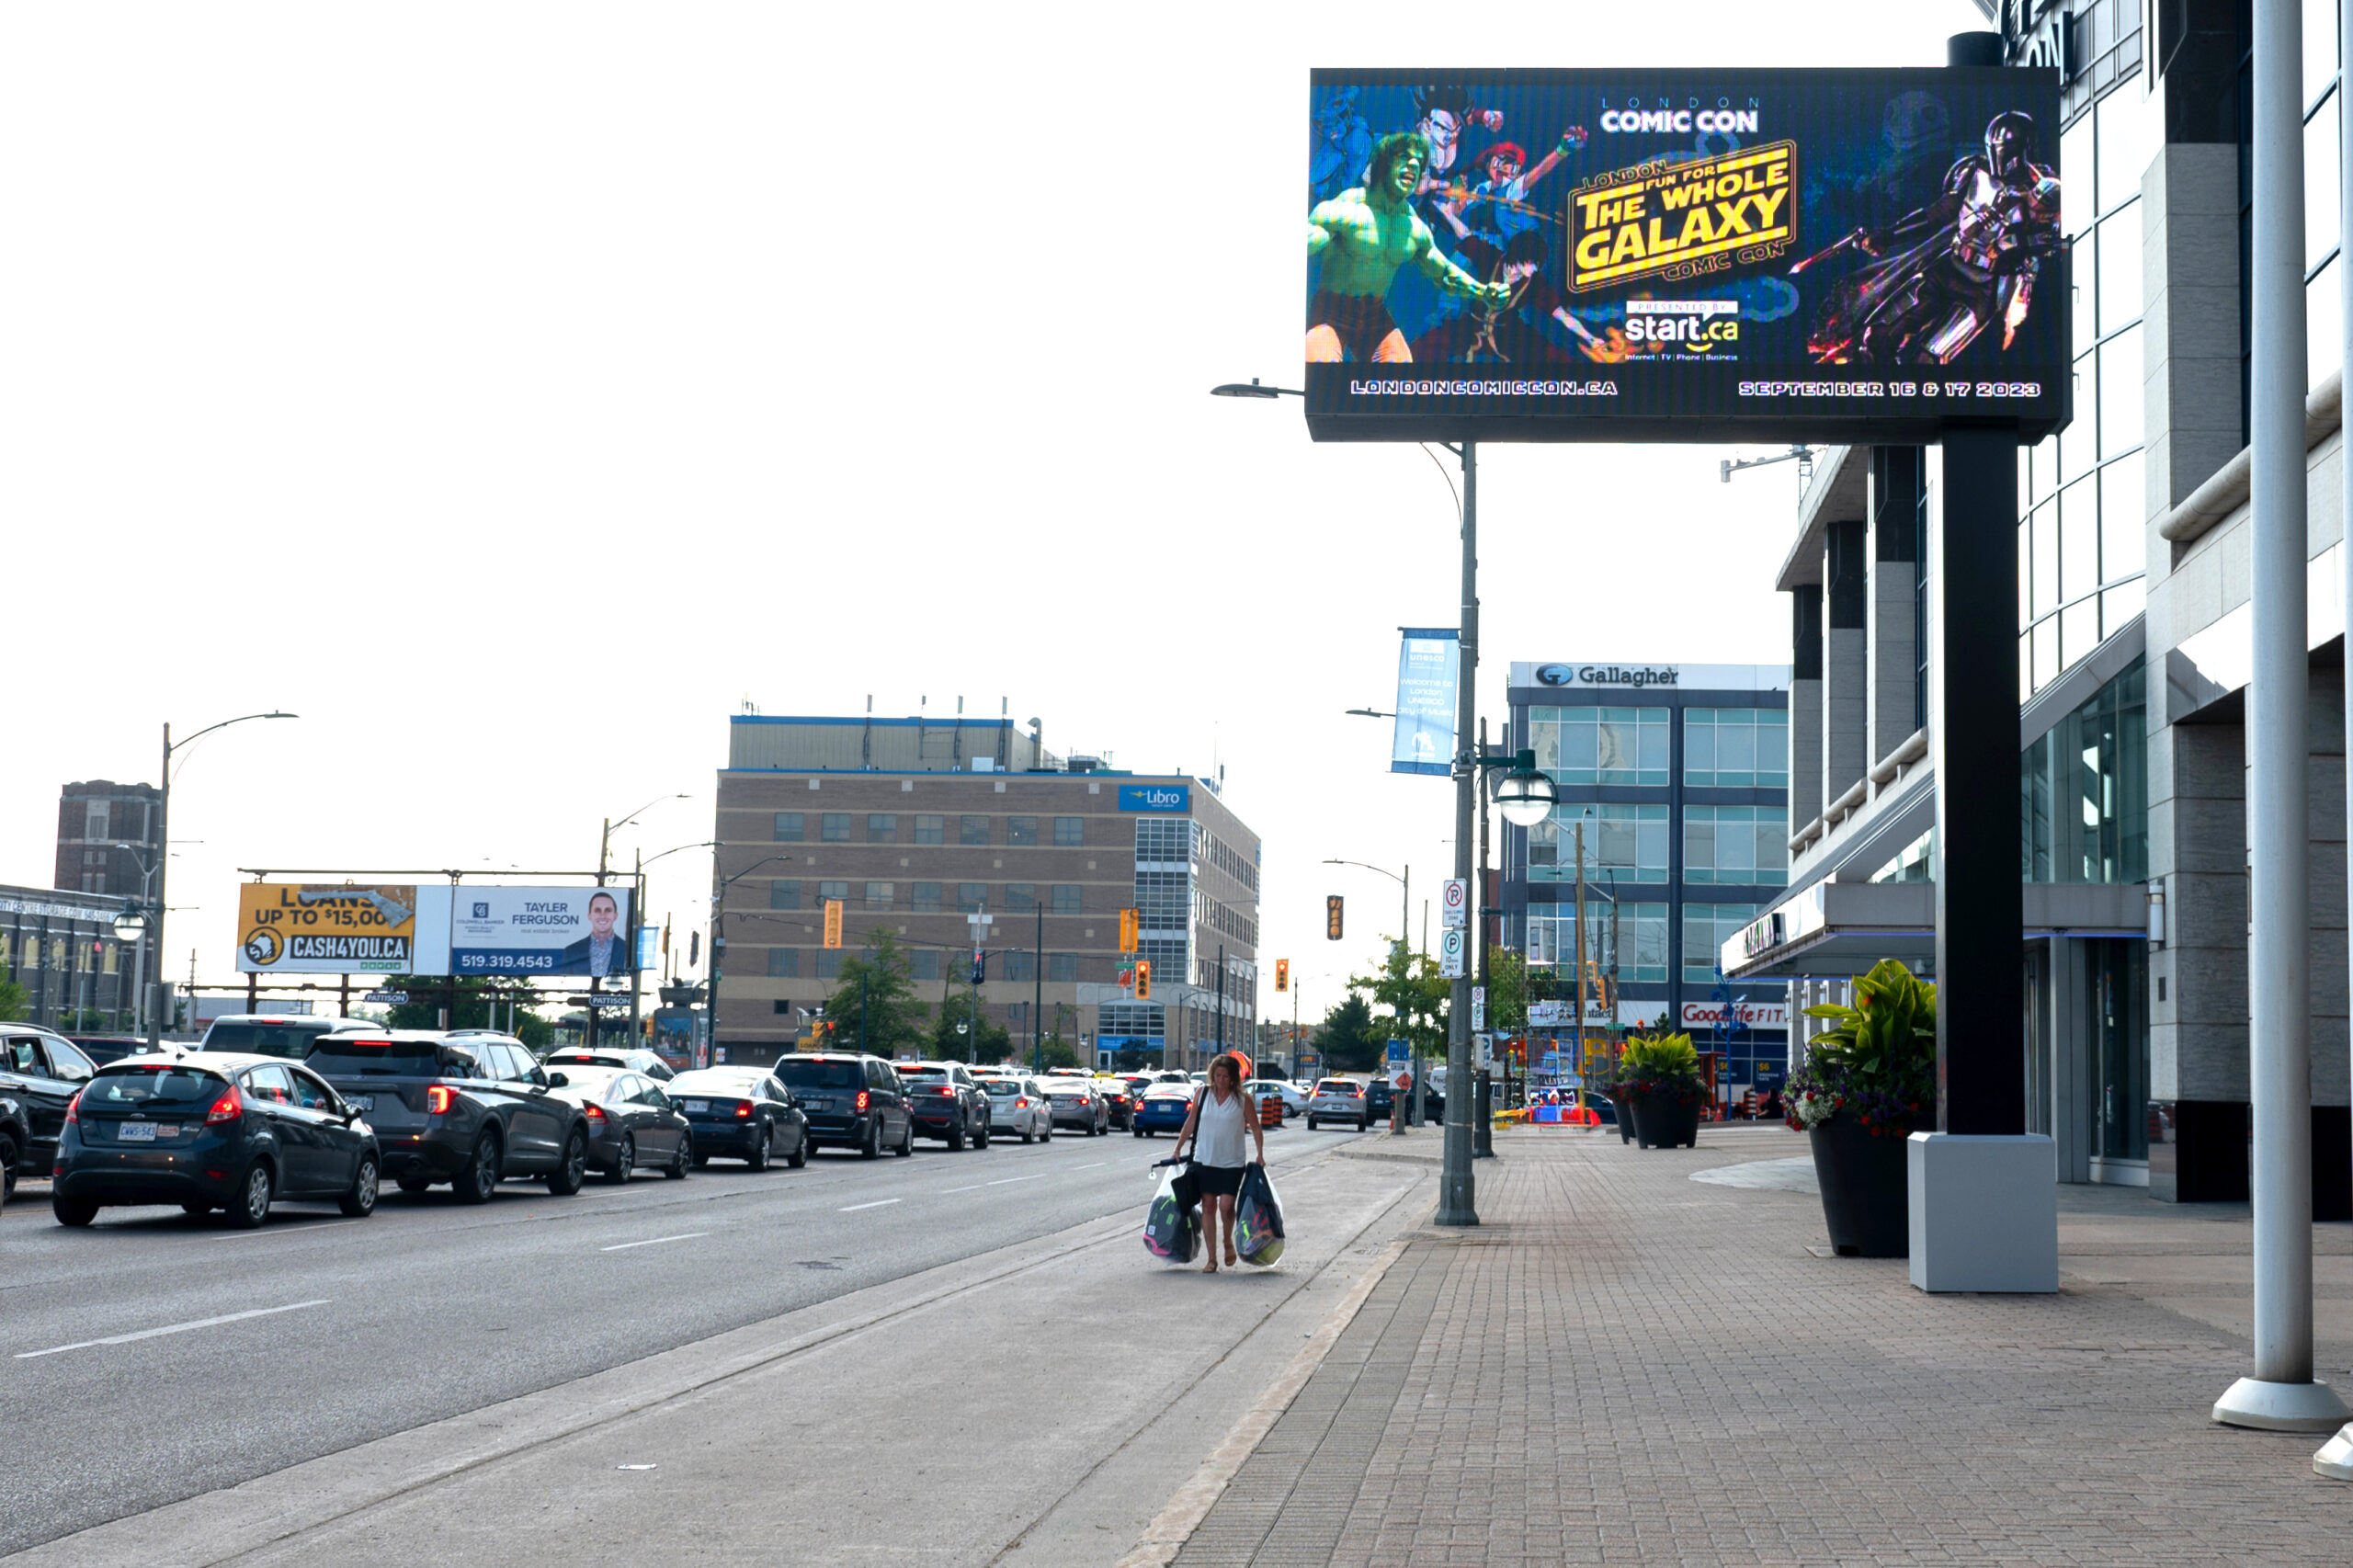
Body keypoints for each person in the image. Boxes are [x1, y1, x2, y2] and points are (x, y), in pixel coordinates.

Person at [1174, 1052, 1265, 1274]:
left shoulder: (1243, 1100)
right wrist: (1178, 1147)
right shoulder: (1202, 1094)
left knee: (1226, 1206)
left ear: (1233, 1078)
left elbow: (1255, 1127)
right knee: (1208, 1206)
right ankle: (1212, 1258)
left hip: (1231, 1161)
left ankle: (1228, 1242)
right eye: (1218, 1075)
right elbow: (1191, 1121)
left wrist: (1260, 1154)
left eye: (1225, 1076)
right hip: (1205, 1159)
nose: (1221, 1080)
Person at [558, 891, 629, 978]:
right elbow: (564, 982)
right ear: (589, 916)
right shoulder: (571, 951)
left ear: (615, 916)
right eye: (597, 910)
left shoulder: (628, 950)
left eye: (608, 910)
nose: (603, 916)